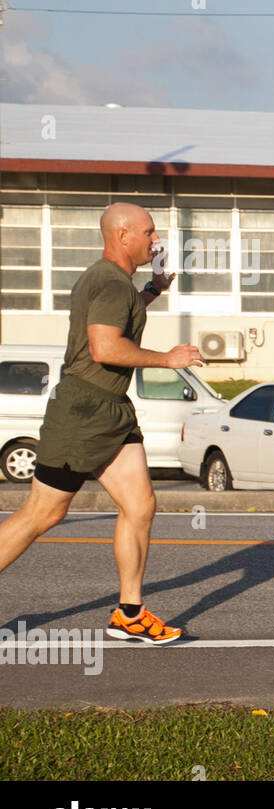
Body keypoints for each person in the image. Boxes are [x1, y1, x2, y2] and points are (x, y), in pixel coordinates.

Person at [0, 203, 202, 644]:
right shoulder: (111, 284)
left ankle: (129, 613)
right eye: (149, 233)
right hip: (83, 414)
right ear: (124, 234)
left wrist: (151, 291)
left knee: (140, 505)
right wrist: (168, 359)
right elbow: (104, 348)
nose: (156, 240)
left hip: (111, 411)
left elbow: (118, 320)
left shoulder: (113, 282)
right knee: (43, 513)